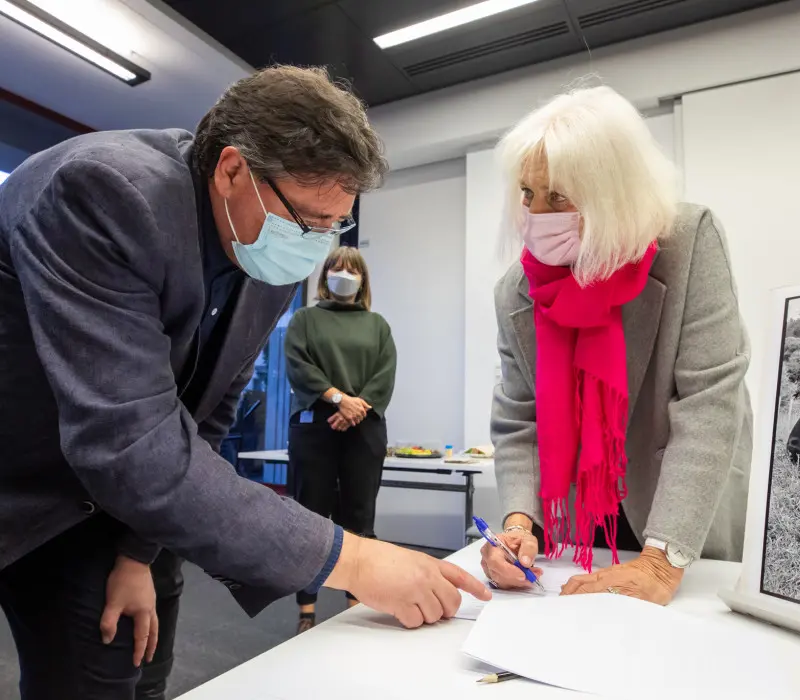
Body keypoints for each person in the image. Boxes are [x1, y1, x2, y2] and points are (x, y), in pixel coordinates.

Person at [0, 65, 488, 700]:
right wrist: (356, 558)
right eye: (308, 219)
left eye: (334, 224)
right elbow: (132, 445)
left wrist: (136, 553)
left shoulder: (267, 244)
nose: (316, 247)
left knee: (125, 673)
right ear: (232, 171)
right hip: (30, 468)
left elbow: (206, 414)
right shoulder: (108, 193)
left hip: (109, 497)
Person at [479, 85, 753, 605]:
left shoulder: (690, 241)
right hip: (585, 525)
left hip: (678, 515)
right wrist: (518, 522)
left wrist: (660, 561)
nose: (537, 214)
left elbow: (709, 403)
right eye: (527, 194)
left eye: (558, 195)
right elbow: (519, 421)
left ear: (612, 189)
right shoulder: (517, 291)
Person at [285, 246, 396, 634]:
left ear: (363, 279)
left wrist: (357, 407)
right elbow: (299, 365)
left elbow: (385, 372)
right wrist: (339, 398)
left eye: (352, 269)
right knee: (310, 517)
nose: (344, 274)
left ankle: (356, 606)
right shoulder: (304, 320)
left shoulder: (377, 325)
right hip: (316, 426)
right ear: (325, 276)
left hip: (363, 430)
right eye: (336, 267)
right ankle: (307, 609)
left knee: (359, 516)